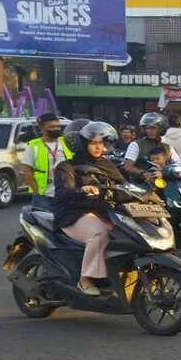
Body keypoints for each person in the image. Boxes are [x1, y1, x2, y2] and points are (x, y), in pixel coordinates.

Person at [53, 121, 123, 296]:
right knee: (99, 234)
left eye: (101, 142)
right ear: (82, 144)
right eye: (93, 143)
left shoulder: (108, 165)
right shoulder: (67, 167)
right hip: (74, 215)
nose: (98, 147)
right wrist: (80, 190)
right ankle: (85, 279)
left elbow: (124, 186)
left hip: (104, 213)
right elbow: (63, 193)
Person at [18, 112, 72, 209]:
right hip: (43, 197)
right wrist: (36, 192)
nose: (56, 129)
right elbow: (27, 172)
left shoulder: (66, 143)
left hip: (65, 195)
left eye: (57, 126)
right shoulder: (33, 146)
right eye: (52, 127)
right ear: (42, 129)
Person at [125, 112, 166, 179]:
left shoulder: (166, 145)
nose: (150, 131)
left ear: (160, 129)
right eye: (147, 128)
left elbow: (176, 163)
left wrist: (164, 172)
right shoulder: (135, 145)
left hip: (164, 180)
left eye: (153, 128)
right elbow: (128, 167)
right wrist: (143, 173)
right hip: (142, 182)